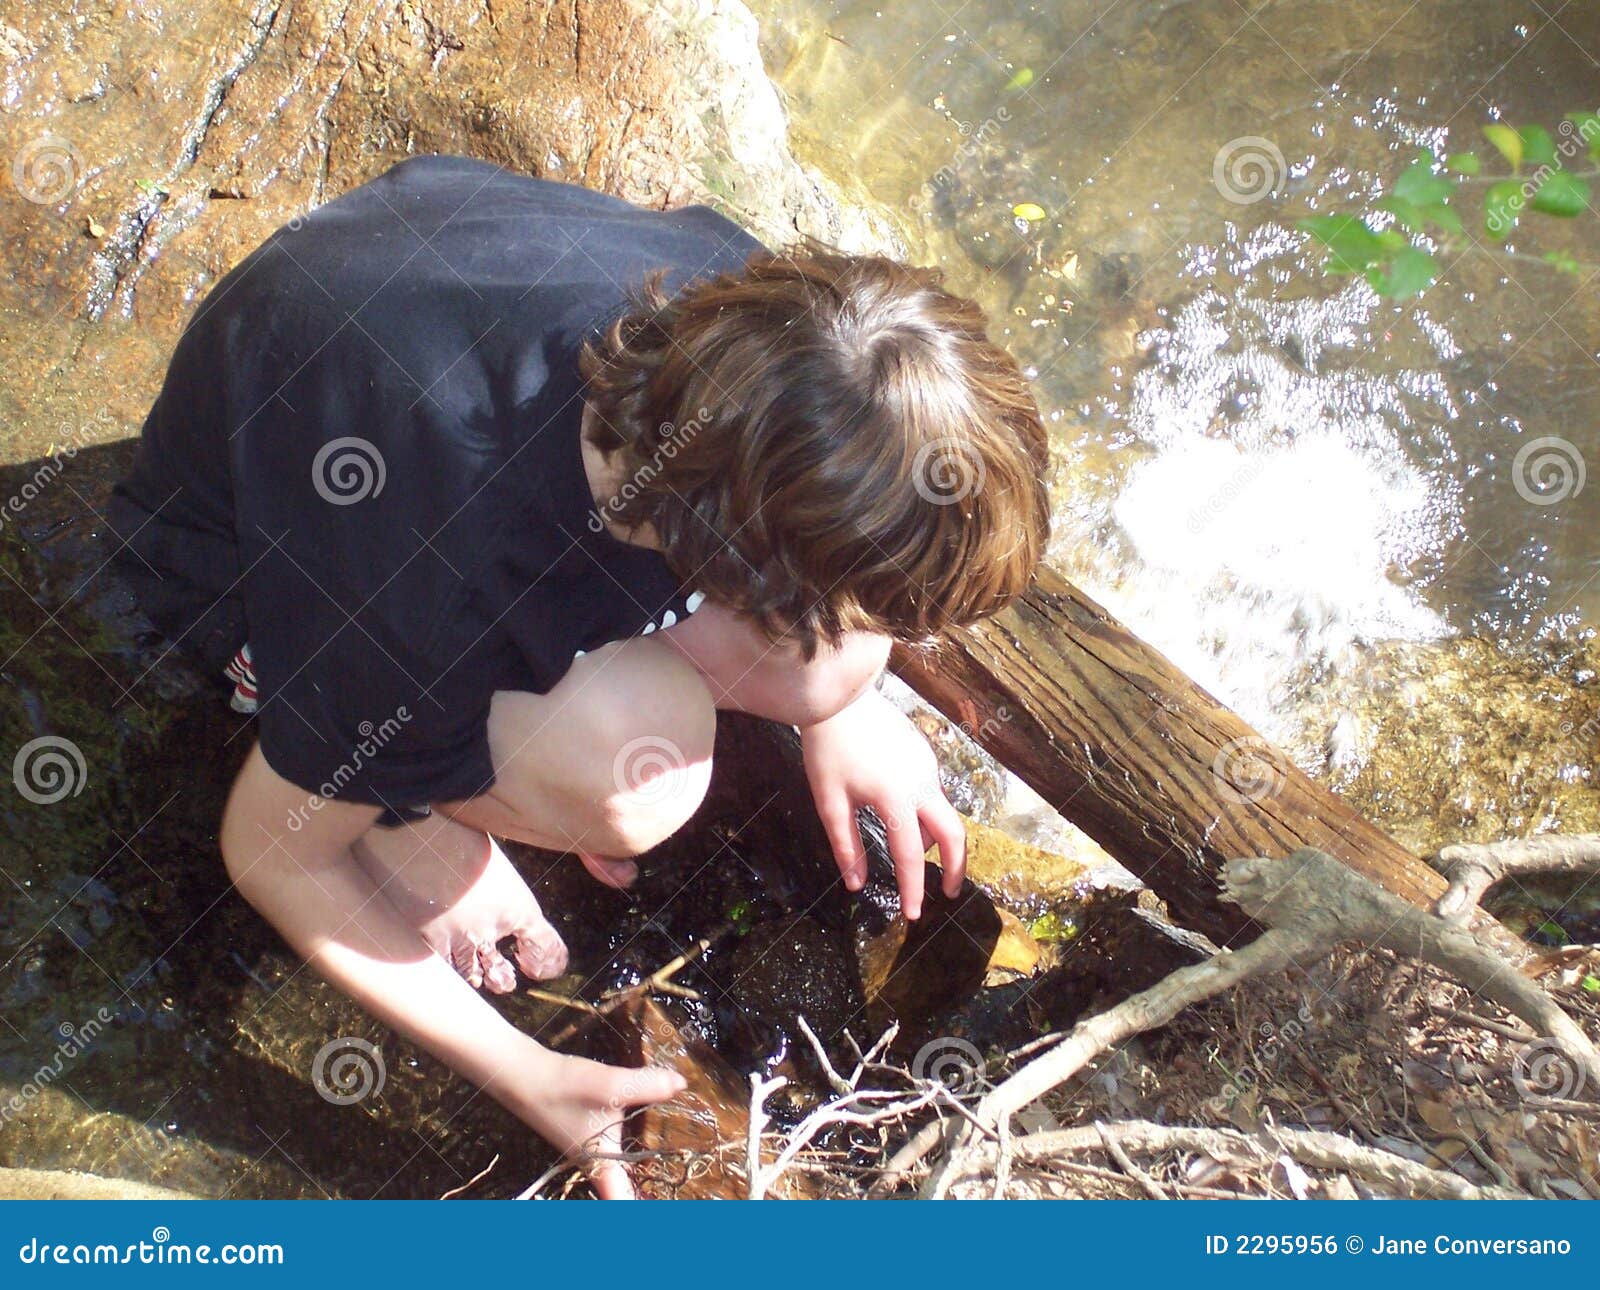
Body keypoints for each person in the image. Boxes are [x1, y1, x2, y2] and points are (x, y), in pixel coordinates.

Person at [108, 154, 1051, 1198]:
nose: (860, 638)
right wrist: (527, 1073)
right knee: (642, 775)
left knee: (829, 671)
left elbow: (823, 589)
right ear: (736, 571)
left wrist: (844, 707)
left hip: (419, 298)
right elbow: (271, 849)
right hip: (247, 568)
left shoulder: (769, 329)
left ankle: (428, 754)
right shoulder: (429, 570)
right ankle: (403, 794)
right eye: (839, 603)